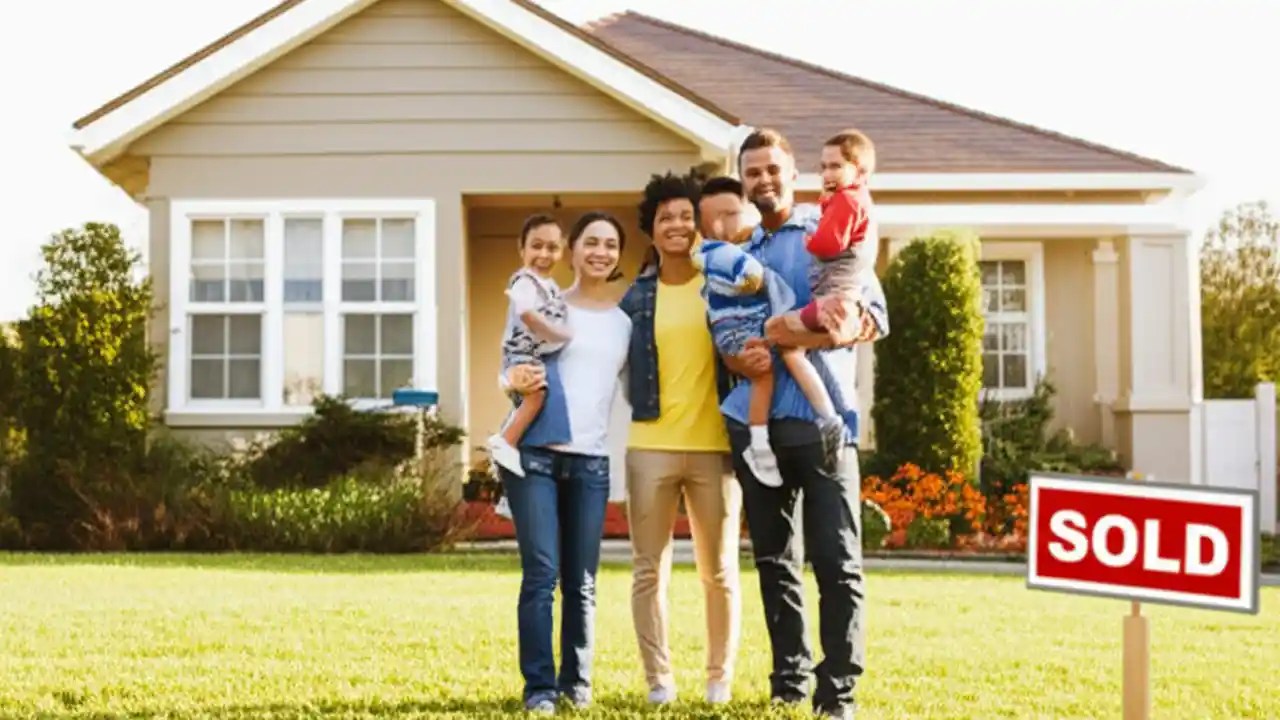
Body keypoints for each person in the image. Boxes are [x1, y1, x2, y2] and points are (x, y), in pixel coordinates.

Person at [723, 128, 889, 720]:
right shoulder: (739, 256)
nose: (763, 180)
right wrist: (738, 354)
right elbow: (727, 340)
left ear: (794, 174)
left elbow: (871, 317)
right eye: (753, 172)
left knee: (838, 564)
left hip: (824, 428)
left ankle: (837, 693)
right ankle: (788, 682)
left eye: (773, 169)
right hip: (757, 428)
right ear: (743, 182)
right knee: (774, 562)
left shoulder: (833, 233)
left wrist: (802, 331)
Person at [497, 211, 632, 714]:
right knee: (542, 575)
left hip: (591, 463)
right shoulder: (544, 303)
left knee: (583, 581)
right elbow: (506, 366)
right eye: (591, 242)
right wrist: (512, 383)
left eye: (611, 245)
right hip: (535, 457)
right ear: (571, 250)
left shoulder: (623, 324)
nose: (601, 252)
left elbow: (638, 392)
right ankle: (540, 688)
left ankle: (577, 682)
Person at [618, 173, 744, 706]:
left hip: (716, 447)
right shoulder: (636, 297)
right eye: (665, 217)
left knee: (718, 571)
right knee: (650, 570)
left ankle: (719, 678)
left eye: (685, 217)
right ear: (651, 229)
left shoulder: (722, 285)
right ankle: (660, 681)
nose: (676, 225)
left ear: (699, 225)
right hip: (650, 446)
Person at [487, 214, 573, 478]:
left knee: (526, 407)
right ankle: (505, 442)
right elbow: (526, 314)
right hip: (521, 354)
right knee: (534, 396)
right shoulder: (525, 281)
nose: (544, 254)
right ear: (521, 248)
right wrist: (558, 334)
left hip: (536, 355)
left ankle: (504, 459)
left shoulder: (551, 286)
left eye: (552, 247)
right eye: (536, 246)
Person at [784, 129, 880, 341]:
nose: (827, 174)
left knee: (777, 329)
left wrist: (810, 242)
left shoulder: (847, 199)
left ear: (861, 172)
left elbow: (829, 243)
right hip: (848, 298)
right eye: (824, 167)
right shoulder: (859, 200)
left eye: (836, 166)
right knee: (792, 347)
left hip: (835, 299)